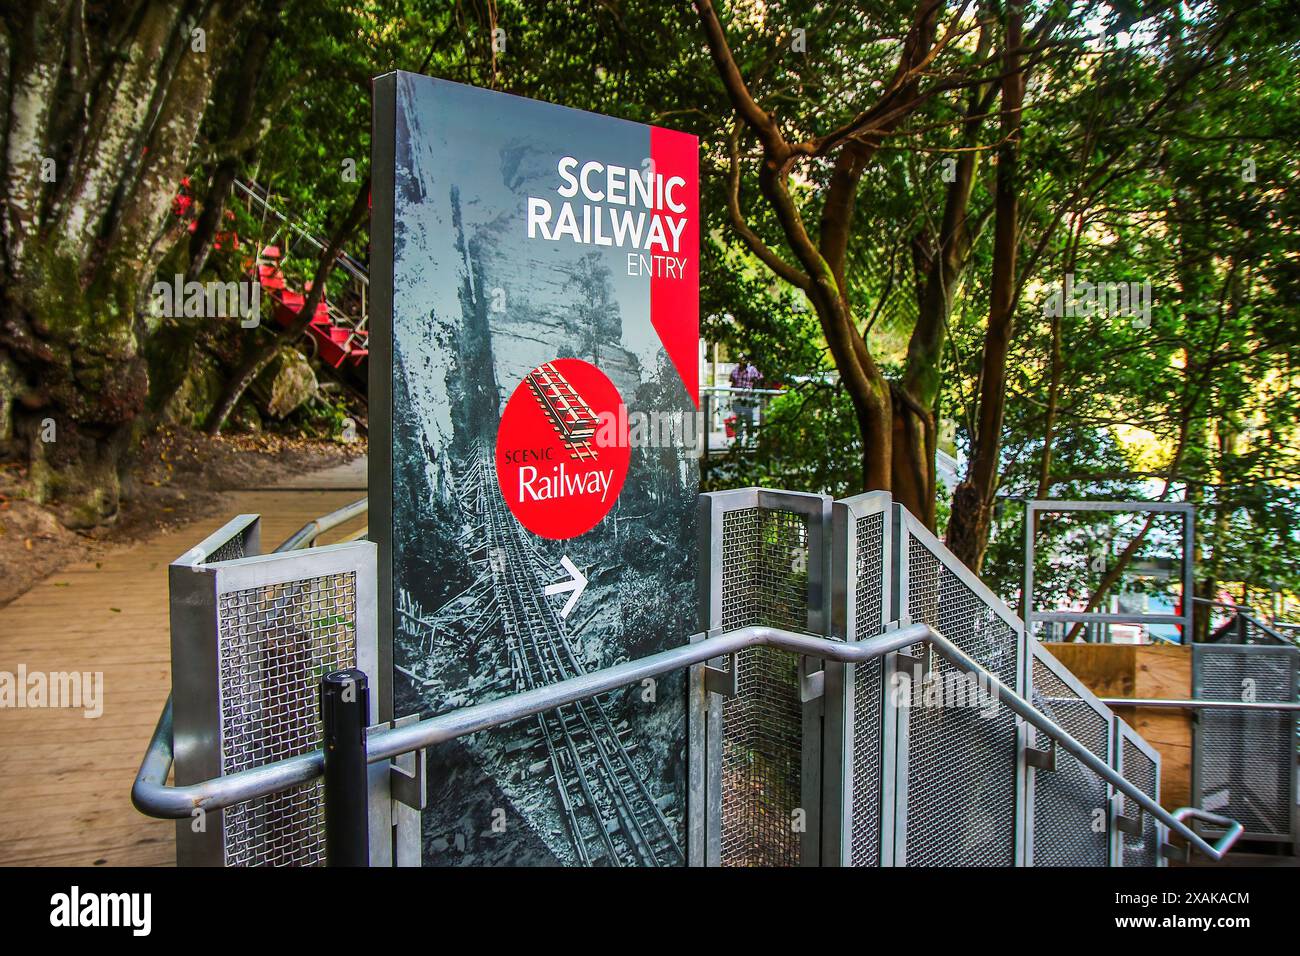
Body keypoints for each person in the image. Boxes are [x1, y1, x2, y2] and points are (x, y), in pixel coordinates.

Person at [729, 354, 762, 444]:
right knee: (738, 420)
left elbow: (758, 380)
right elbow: (732, 384)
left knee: (749, 419)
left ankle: (750, 439)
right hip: (738, 399)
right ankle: (738, 440)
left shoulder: (752, 370)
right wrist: (730, 398)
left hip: (748, 399)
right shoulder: (735, 371)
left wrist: (754, 393)